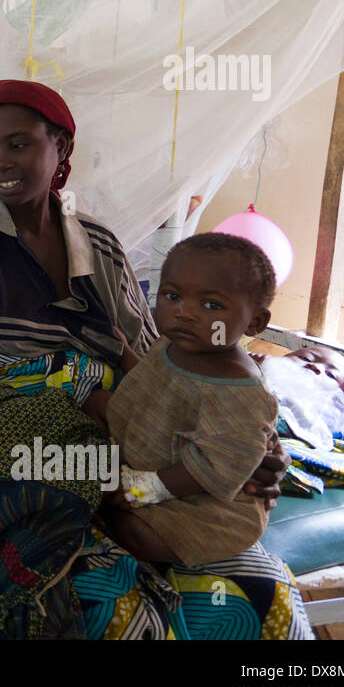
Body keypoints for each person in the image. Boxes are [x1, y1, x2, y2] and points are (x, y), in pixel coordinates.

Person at [0, 78, 304, 639]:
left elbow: (161, 356)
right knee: (61, 471)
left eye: (18, 144)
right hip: (3, 400)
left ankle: (150, 509)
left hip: (114, 406)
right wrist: (61, 399)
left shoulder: (100, 244)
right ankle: (106, 511)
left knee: (237, 477)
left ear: (60, 146)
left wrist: (249, 445)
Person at [83, 233, 280, 567]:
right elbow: (153, 378)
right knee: (95, 401)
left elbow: (210, 470)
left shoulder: (239, 391)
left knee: (140, 534)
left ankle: (110, 513)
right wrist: (124, 353)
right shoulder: (177, 344)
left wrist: (141, 489)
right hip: (157, 446)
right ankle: (107, 491)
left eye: (212, 305)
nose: (184, 313)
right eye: (172, 296)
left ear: (255, 322)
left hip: (201, 497)